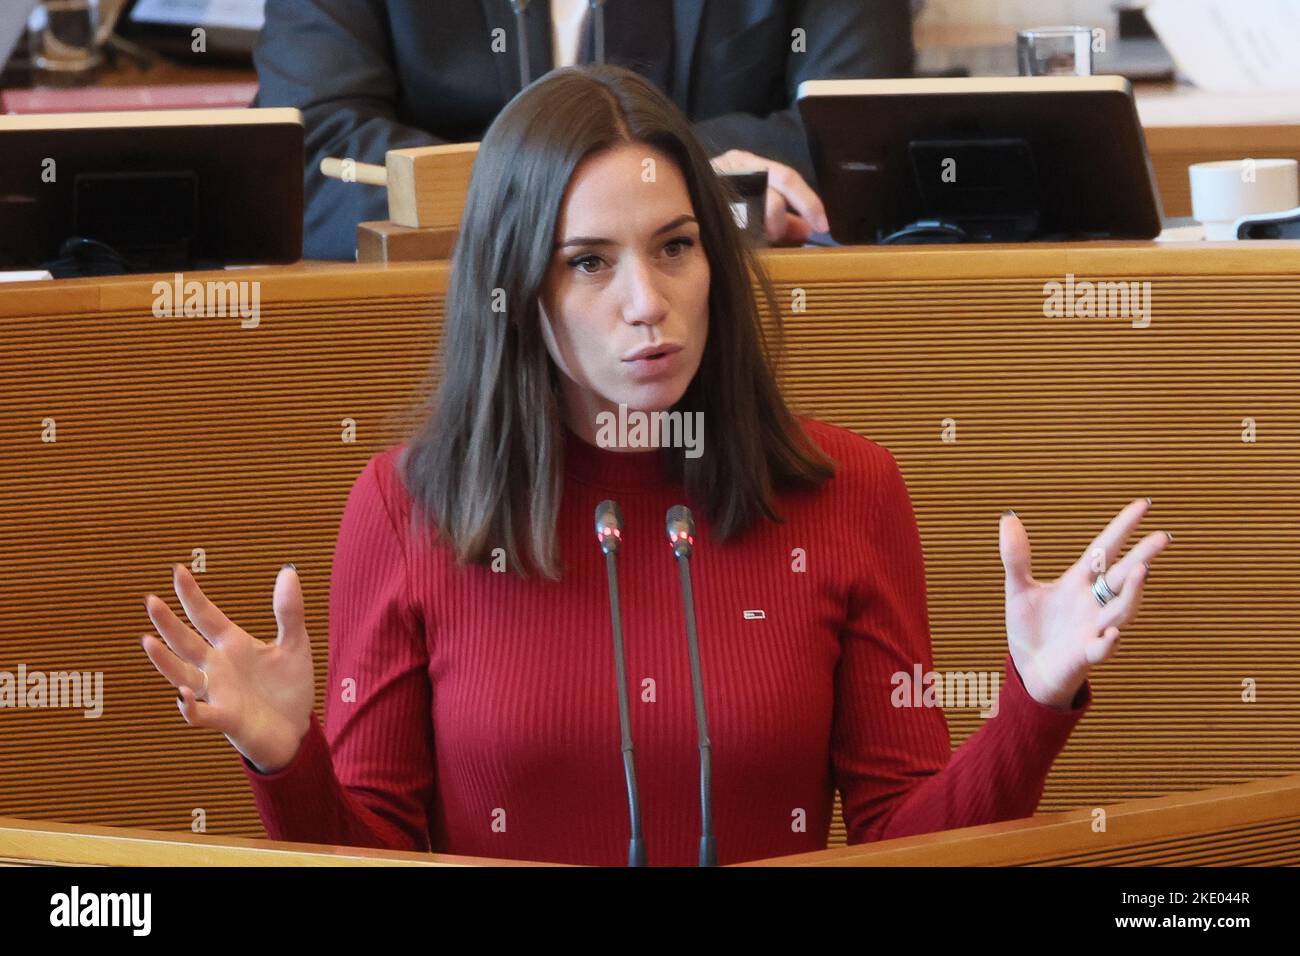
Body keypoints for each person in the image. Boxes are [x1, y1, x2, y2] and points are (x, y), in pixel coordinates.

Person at [140, 64, 1171, 867]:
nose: (646, 300)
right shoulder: (408, 510)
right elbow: (377, 866)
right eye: (589, 261)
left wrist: (1031, 704)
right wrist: (285, 757)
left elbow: (912, 843)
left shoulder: (846, 490)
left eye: (675, 246)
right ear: (515, 290)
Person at [252, 0, 915, 258]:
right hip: (431, 338)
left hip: (738, 347)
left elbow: (858, 131)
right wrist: (616, 189)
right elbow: (307, 155)